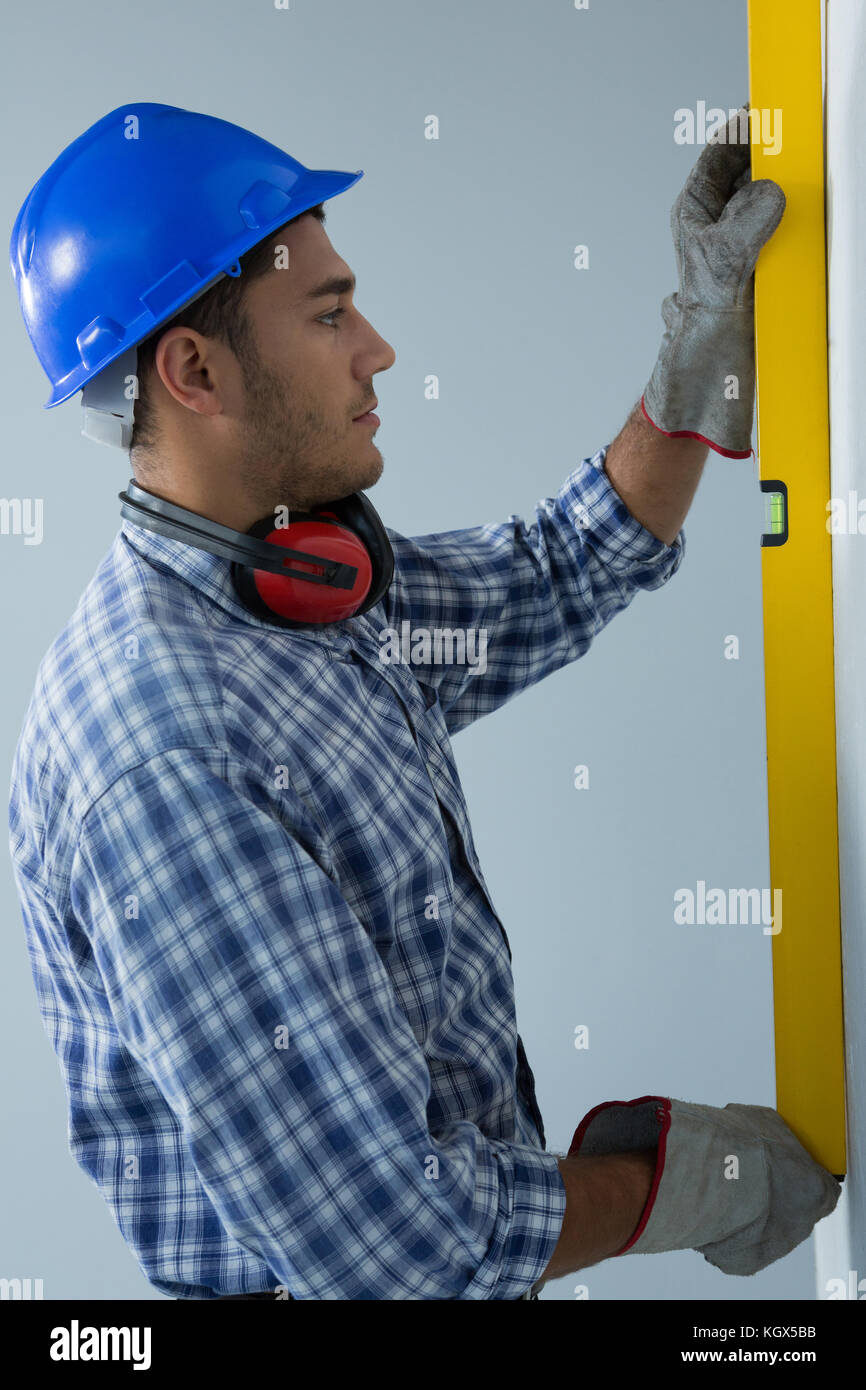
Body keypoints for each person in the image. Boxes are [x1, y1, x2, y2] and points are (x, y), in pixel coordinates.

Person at [7, 102, 839, 1301]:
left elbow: (561, 567)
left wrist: (692, 361)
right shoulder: (164, 754)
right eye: (331, 314)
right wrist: (682, 1183)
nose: (379, 349)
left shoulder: (296, 582)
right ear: (194, 369)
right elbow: (394, 1249)